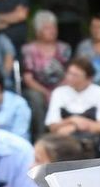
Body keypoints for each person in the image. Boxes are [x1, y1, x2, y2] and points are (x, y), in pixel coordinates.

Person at [46, 58, 100, 155]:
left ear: (89, 78)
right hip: (64, 145)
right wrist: (72, 119)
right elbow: (53, 127)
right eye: (69, 73)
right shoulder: (58, 93)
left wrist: (73, 127)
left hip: (96, 146)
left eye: (75, 75)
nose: (69, 77)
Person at [20, 10, 72, 139]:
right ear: (38, 31)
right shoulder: (29, 50)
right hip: (37, 88)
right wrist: (45, 92)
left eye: (54, 27)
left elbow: (70, 74)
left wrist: (56, 92)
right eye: (47, 28)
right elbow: (28, 78)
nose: (52, 31)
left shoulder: (64, 48)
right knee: (36, 99)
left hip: (61, 87)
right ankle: (41, 137)